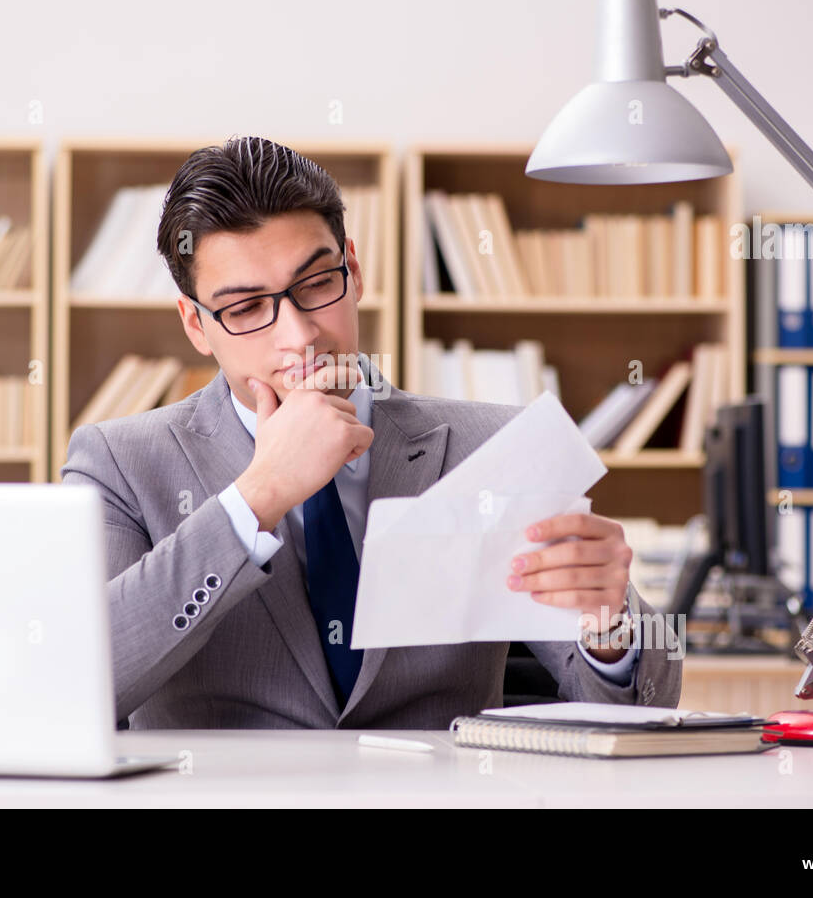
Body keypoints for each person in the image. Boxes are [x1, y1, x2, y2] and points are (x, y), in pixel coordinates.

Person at [61, 136, 682, 728]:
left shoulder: (491, 447)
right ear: (196, 325)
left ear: (353, 271)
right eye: (247, 308)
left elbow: (637, 709)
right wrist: (258, 497)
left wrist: (610, 627)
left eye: (315, 284)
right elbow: (79, 681)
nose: (300, 335)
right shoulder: (119, 462)